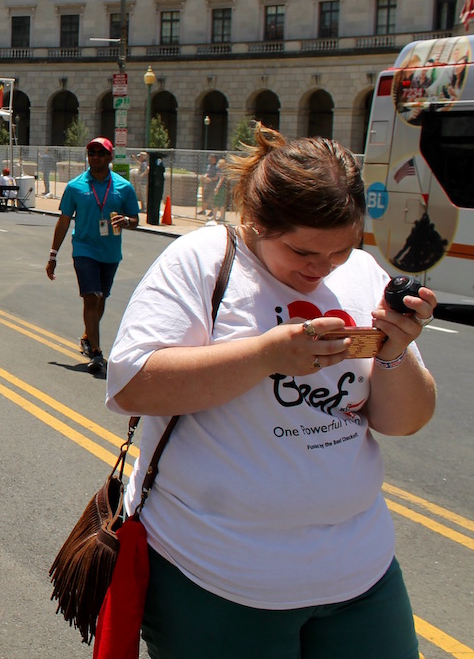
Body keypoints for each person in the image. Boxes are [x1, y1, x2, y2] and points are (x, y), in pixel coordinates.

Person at [106, 125, 437, 659]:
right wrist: (266, 355)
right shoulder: (204, 260)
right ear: (257, 221)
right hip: (218, 578)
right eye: (303, 251)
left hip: (359, 572)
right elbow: (132, 384)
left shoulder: (361, 273)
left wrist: (395, 350)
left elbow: (405, 421)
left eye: (341, 251)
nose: (322, 269)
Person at [45, 137, 139, 378]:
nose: (95, 157)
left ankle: (88, 336)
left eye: (100, 153)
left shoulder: (123, 187)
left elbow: (135, 220)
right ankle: (96, 352)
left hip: (110, 252)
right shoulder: (75, 186)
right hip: (84, 249)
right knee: (92, 296)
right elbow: (64, 220)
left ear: (109, 157)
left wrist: (126, 221)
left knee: (101, 298)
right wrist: (53, 255)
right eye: (91, 153)